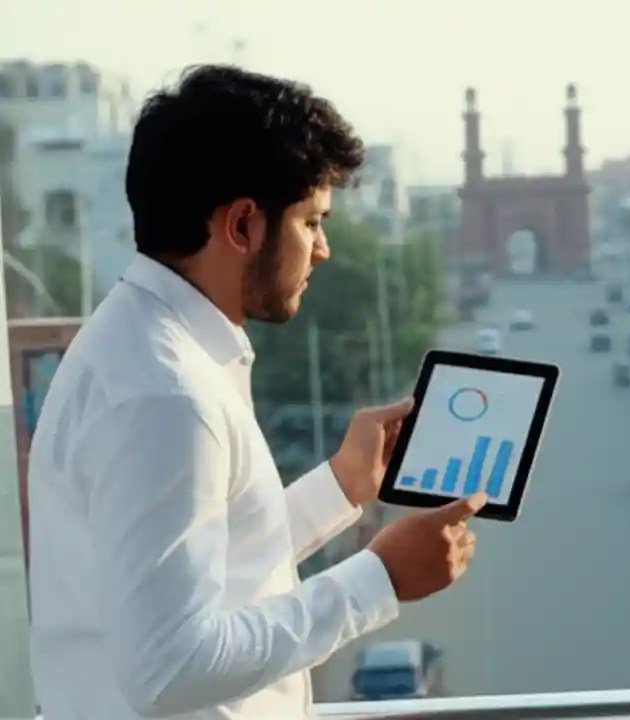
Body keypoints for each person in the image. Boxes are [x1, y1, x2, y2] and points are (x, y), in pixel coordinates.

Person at [26, 64, 485, 719]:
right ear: (243, 226)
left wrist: (341, 486)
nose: (323, 250)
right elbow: (170, 669)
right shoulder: (166, 395)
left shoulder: (146, 347)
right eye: (311, 222)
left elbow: (216, 567)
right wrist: (377, 579)